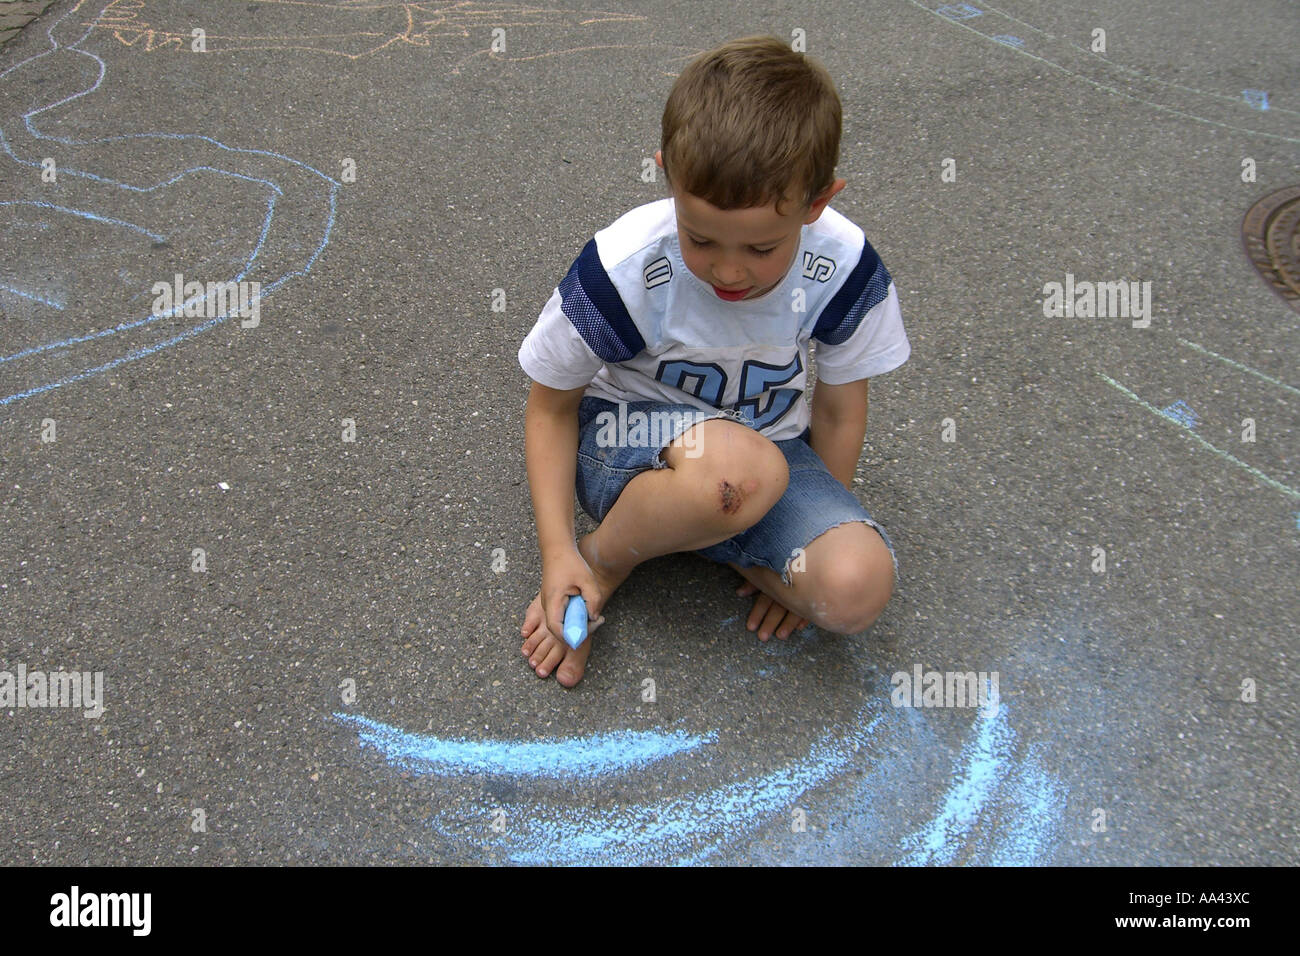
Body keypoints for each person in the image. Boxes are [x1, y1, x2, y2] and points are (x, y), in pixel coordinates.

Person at [516, 35, 910, 687]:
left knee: (853, 588)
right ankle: (608, 560)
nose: (728, 269)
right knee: (737, 472)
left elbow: (841, 408)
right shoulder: (628, 267)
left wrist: (804, 551)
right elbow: (550, 407)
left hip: (767, 455)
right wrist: (561, 552)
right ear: (669, 174)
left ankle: (710, 527)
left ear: (818, 203)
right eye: (700, 238)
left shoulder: (840, 266)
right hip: (627, 440)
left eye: (761, 248)